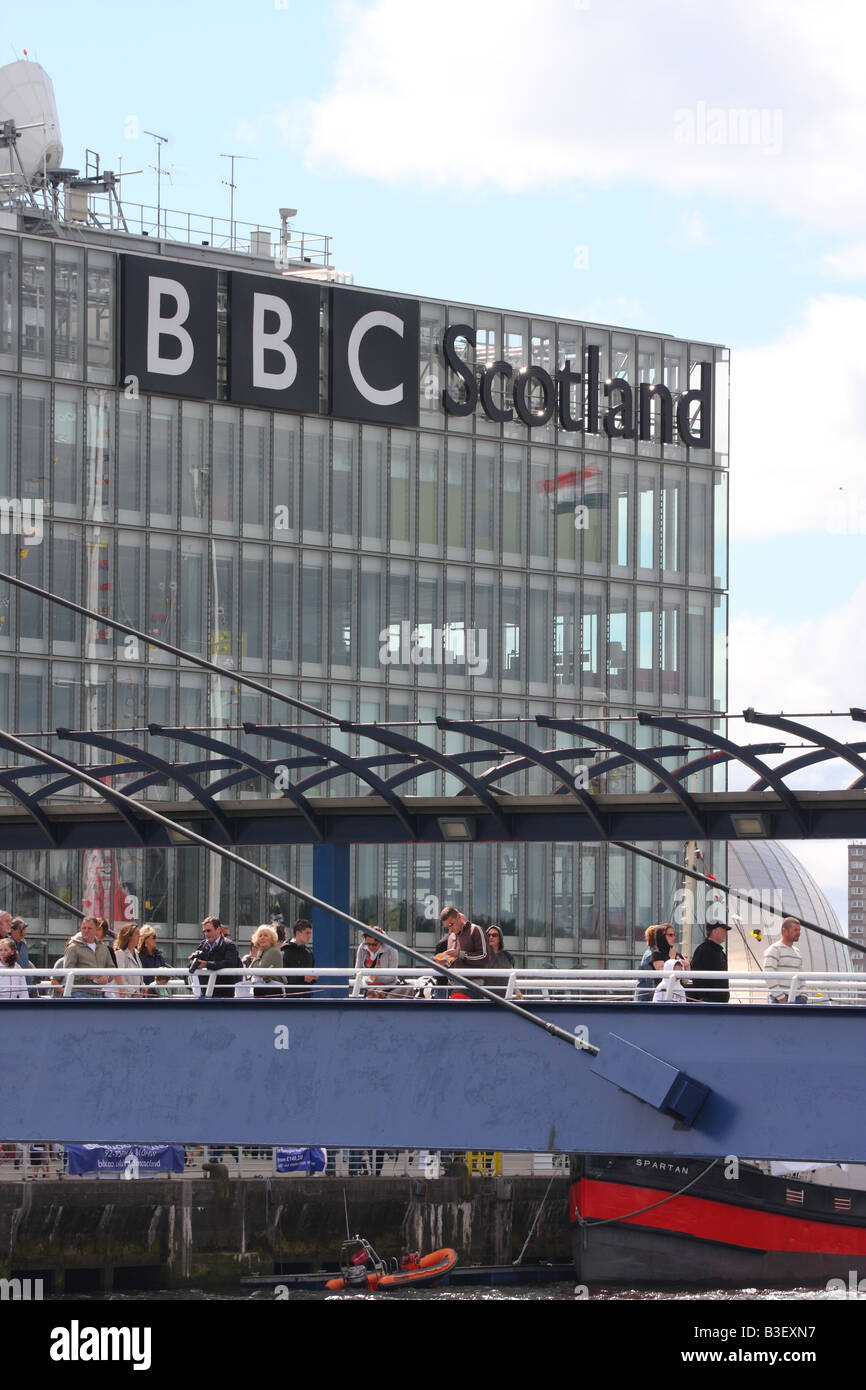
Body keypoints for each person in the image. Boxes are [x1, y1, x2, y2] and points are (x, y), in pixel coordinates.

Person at [61, 917, 115, 998]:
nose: (86, 930)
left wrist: (107, 978)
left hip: (99, 993)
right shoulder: (73, 947)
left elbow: (111, 968)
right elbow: (67, 970)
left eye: (89, 928)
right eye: (84, 928)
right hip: (79, 993)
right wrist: (88, 976)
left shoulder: (103, 948)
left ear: (96, 929)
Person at [189, 916, 242, 998]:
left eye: (209, 931)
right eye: (204, 931)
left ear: (218, 929)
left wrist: (206, 964)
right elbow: (191, 968)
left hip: (224, 994)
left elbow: (230, 963)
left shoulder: (229, 945)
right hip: (205, 994)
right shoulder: (203, 945)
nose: (206, 934)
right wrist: (192, 963)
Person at [763, 917, 807, 1003]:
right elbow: (768, 973)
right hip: (779, 1000)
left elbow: (801, 975)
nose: (798, 933)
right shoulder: (774, 949)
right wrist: (780, 997)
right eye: (795, 930)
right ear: (784, 930)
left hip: (798, 999)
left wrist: (804, 995)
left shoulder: (797, 952)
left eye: (799, 930)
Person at [688, 922, 732, 1003]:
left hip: (720, 1000)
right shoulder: (703, 950)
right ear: (715, 931)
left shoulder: (721, 953)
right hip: (708, 1001)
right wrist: (702, 996)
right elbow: (696, 973)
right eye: (724, 930)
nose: (726, 934)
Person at [354, 928, 399, 998]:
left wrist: (375, 978)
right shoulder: (362, 948)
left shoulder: (392, 950)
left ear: (381, 942)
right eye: (368, 944)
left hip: (387, 990)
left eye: (374, 944)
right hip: (368, 990)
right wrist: (366, 980)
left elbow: (392, 977)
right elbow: (356, 971)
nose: (370, 947)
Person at [246, 925, 285, 998]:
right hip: (261, 989)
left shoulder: (272, 951)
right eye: (260, 936)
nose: (262, 938)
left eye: (265, 935)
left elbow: (260, 970)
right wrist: (258, 957)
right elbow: (250, 972)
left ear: (272, 939)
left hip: (271, 990)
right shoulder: (263, 952)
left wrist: (257, 957)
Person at [282, 919, 317, 999]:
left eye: (310, 933)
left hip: (306, 997)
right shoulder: (285, 951)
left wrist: (313, 978)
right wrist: (303, 977)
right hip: (290, 998)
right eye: (307, 933)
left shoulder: (309, 953)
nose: (309, 936)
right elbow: (283, 976)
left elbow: (310, 975)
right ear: (298, 933)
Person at [485, 925, 521, 998]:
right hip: (486, 998)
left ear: (500, 938)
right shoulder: (482, 955)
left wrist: (517, 992)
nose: (491, 937)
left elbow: (512, 976)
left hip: (504, 998)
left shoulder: (507, 956)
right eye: (488, 935)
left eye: (494, 935)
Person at [634, 923, 666, 1002]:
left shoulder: (651, 953)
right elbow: (651, 982)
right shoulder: (651, 956)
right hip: (646, 1000)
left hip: (645, 998)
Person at [114, 923, 145, 998]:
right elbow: (121, 978)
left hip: (136, 997)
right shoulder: (120, 954)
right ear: (129, 936)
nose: (139, 936)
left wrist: (143, 986)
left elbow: (139, 976)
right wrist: (133, 992)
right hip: (126, 998)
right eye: (137, 933)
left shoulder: (136, 953)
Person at [139, 926, 168, 993]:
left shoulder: (158, 956)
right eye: (153, 937)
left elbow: (165, 974)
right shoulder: (139, 956)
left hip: (159, 992)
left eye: (156, 937)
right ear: (145, 939)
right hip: (146, 993)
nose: (156, 940)